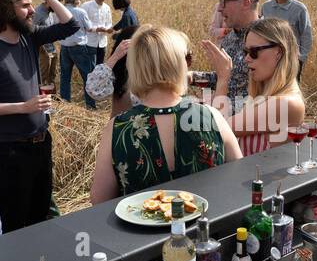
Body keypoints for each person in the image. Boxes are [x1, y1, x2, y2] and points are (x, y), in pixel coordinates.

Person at [0, 0, 79, 232]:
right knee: (15, 222)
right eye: (25, 6)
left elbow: (71, 25)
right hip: (9, 151)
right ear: (7, 10)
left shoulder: (30, 37)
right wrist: (23, 107)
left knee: (40, 219)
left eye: (31, 4)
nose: (32, 11)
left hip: (41, 143)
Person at [89, 25, 240, 203]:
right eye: (187, 59)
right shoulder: (213, 116)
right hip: (207, 227)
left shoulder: (116, 127)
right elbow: (237, 179)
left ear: (135, 68)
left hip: (142, 230)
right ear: (179, 65)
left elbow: (98, 200)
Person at [202, 17, 306, 156]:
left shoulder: (285, 103)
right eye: (246, 52)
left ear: (279, 52)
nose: (246, 58)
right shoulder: (267, 97)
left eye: (254, 52)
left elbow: (215, 130)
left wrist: (223, 79)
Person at [215, 0, 261, 106]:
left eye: (224, 2)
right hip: (227, 118)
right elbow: (228, 77)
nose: (219, 8)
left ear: (245, 3)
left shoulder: (270, 39)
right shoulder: (229, 38)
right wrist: (192, 76)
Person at [260, 0, 313, 80]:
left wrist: (301, 58)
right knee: (272, 91)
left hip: (292, 58)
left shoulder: (300, 8)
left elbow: (306, 34)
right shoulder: (266, 7)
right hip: (271, 58)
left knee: (291, 93)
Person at [85, 24, 140, 117]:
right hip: (122, 129)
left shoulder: (155, 71)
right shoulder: (119, 72)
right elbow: (93, 89)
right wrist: (115, 56)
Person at [57, 0, 97, 108]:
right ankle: (90, 105)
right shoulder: (81, 12)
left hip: (64, 47)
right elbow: (89, 28)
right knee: (87, 77)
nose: (80, 0)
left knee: (65, 77)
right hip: (78, 48)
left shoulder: (59, 11)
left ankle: (65, 103)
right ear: (76, 0)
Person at [87, 0, 114, 65]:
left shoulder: (107, 8)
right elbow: (82, 24)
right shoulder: (86, 6)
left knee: (100, 66)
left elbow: (109, 23)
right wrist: (97, 29)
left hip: (102, 42)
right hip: (90, 42)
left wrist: (108, 29)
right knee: (90, 67)